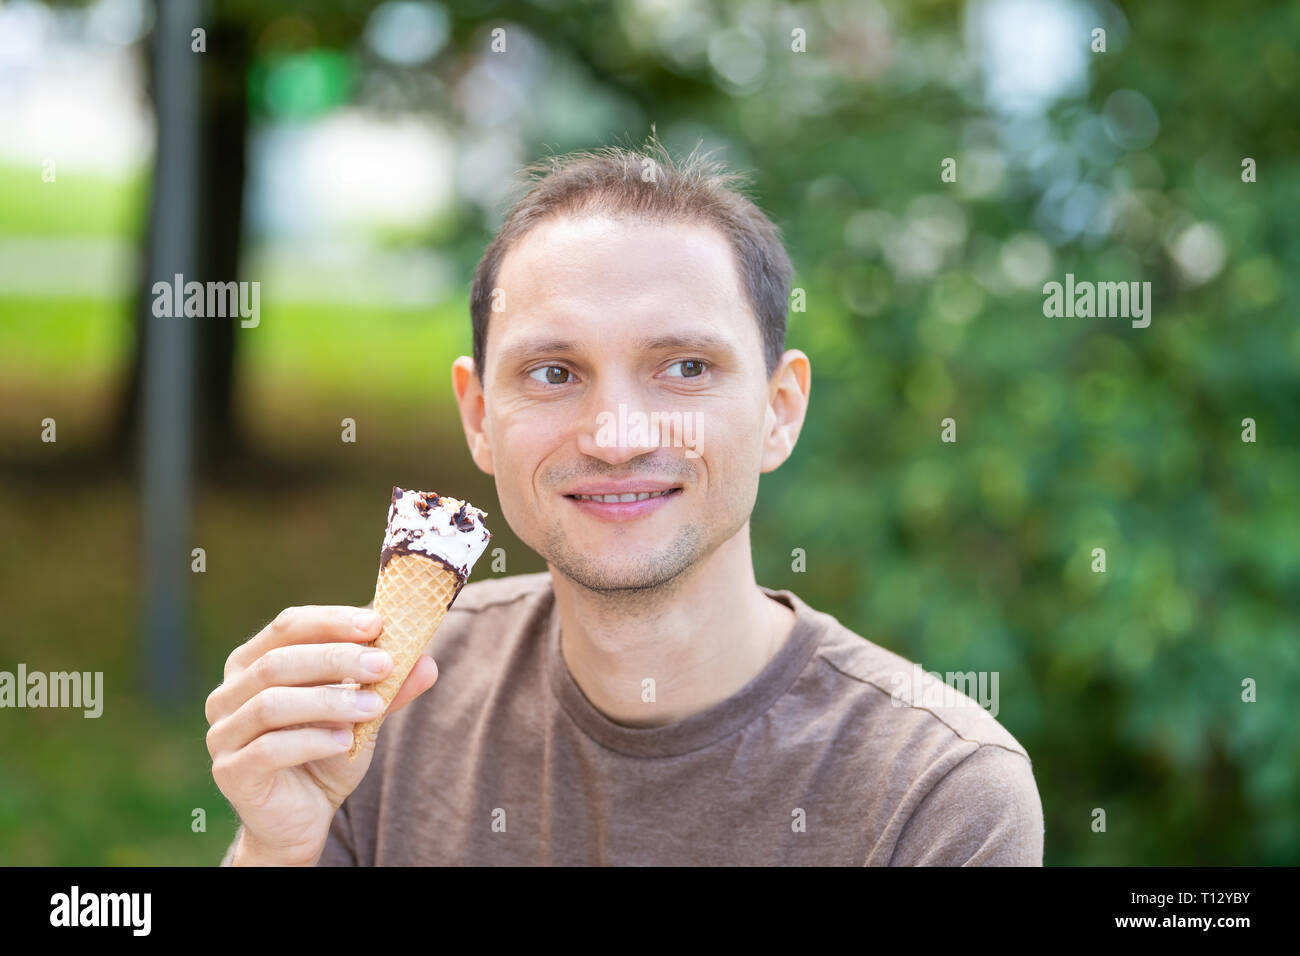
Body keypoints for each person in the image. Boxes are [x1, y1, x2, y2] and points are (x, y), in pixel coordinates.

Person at [207, 136, 1044, 865]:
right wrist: (275, 851)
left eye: (685, 368)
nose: (615, 436)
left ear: (779, 412)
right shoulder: (385, 710)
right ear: (480, 418)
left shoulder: (937, 794)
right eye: (553, 373)